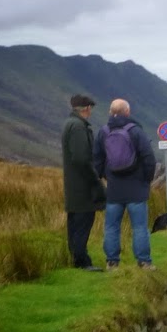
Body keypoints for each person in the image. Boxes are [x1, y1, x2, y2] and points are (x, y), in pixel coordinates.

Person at [92, 98, 157, 270]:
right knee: (140, 227)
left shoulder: (103, 132)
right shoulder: (135, 131)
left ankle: (112, 262)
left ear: (110, 112)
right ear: (127, 112)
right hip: (136, 189)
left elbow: (97, 160)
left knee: (112, 227)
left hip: (114, 190)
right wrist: (146, 179)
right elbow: (149, 157)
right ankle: (143, 262)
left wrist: (105, 177)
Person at [61, 94, 105, 271]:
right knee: (82, 222)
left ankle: (76, 258)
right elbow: (81, 159)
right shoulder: (79, 127)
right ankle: (81, 262)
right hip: (82, 187)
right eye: (91, 109)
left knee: (75, 223)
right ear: (86, 108)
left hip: (74, 186)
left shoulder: (70, 123)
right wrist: (94, 180)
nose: (91, 112)